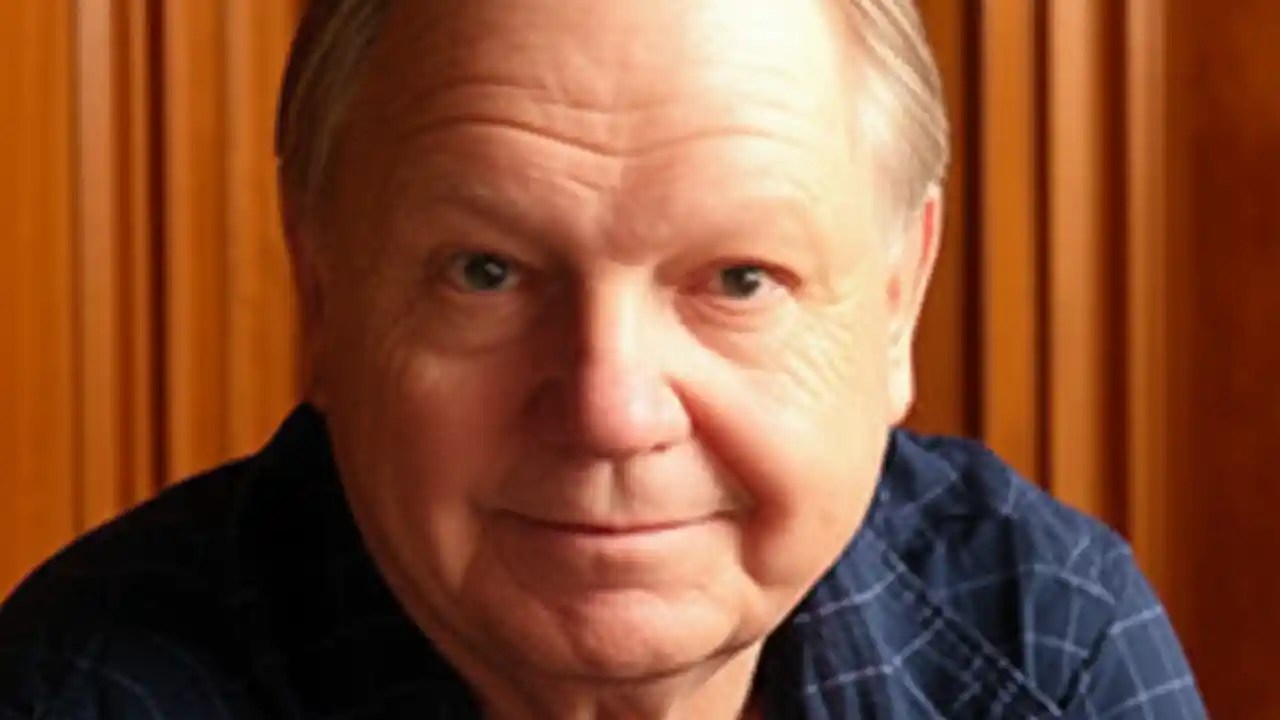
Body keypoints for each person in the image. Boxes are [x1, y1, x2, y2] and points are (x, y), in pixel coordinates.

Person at [0, 0, 1207, 717]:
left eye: (738, 280)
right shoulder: (96, 690)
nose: (609, 408)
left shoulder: (1040, 637)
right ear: (325, 288)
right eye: (486, 271)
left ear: (896, 303)